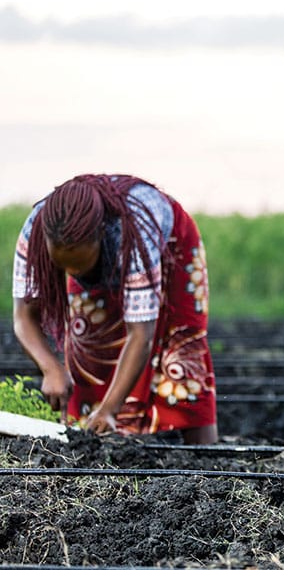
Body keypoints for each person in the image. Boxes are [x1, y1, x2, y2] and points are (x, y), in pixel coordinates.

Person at [12, 174, 218, 444]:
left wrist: (111, 408)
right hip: (108, 254)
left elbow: (141, 335)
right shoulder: (35, 234)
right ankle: (93, 447)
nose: (73, 273)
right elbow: (23, 316)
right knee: (88, 347)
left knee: (179, 353)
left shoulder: (135, 233)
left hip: (171, 248)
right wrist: (51, 368)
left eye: (80, 265)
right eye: (64, 267)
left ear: (100, 234)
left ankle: (206, 459)